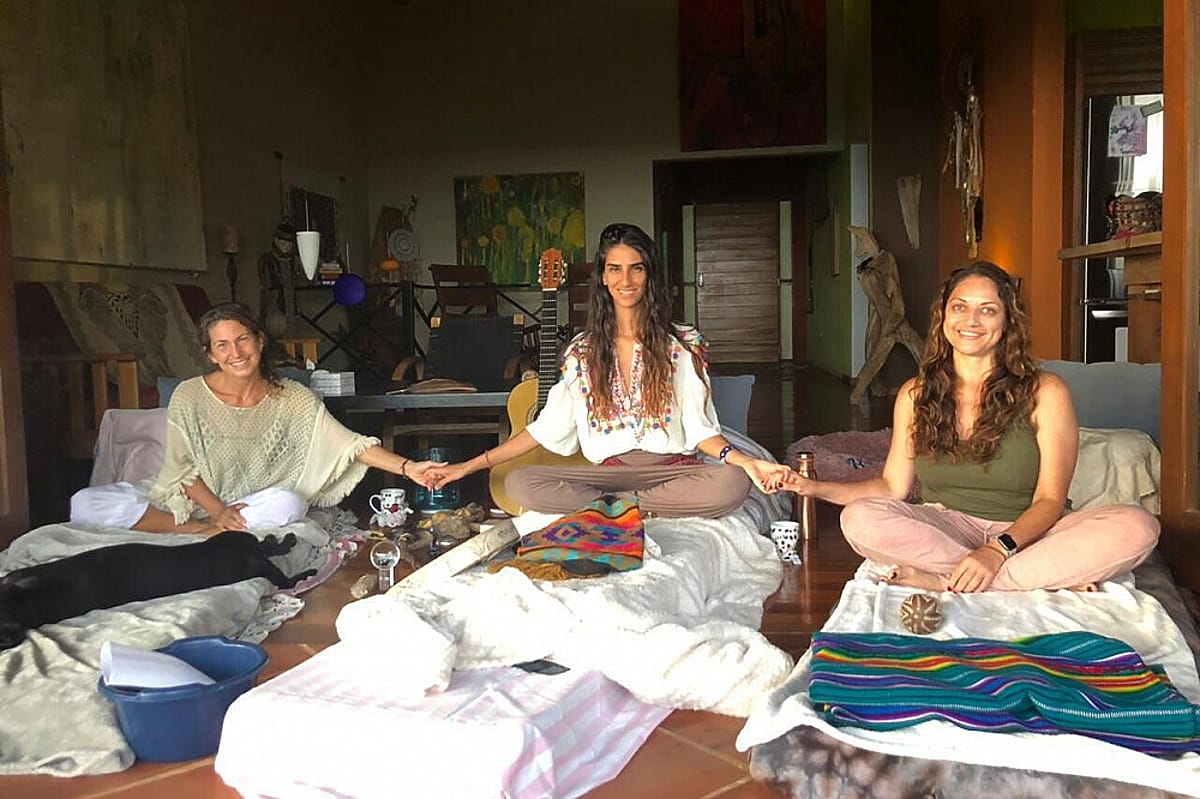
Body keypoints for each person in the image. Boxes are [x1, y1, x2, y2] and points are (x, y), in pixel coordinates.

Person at [783, 261, 1159, 592]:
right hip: (947, 528)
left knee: (1137, 527)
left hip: (1030, 533)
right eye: (960, 307)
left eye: (988, 310)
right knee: (860, 519)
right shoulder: (915, 395)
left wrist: (997, 550)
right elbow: (892, 488)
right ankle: (1028, 579)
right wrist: (813, 487)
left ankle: (948, 580)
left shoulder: (1046, 391)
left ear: (1008, 321)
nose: (971, 321)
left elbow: (1050, 500)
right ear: (943, 316)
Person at [427, 222, 789, 518]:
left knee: (732, 483)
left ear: (649, 274)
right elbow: (543, 430)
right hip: (609, 476)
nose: (625, 280)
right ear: (602, 276)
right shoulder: (581, 353)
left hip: (673, 471)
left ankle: (614, 509)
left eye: (636, 268)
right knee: (519, 483)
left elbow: (701, 430)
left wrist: (746, 462)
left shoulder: (681, 344)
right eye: (615, 269)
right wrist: (467, 466)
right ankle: (630, 506)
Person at [70, 302, 441, 534]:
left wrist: (409, 468)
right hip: (191, 503)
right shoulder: (189, 394)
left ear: (260, 341)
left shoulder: (292, 396)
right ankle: (197, 532)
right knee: (85, 502)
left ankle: (209, 530)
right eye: (222, 345)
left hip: (253, 502)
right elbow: (181, 470)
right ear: (210, 355)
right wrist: (217, 512)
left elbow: (349, 445)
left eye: (242, 339)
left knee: (291, 503)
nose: (235, 352)